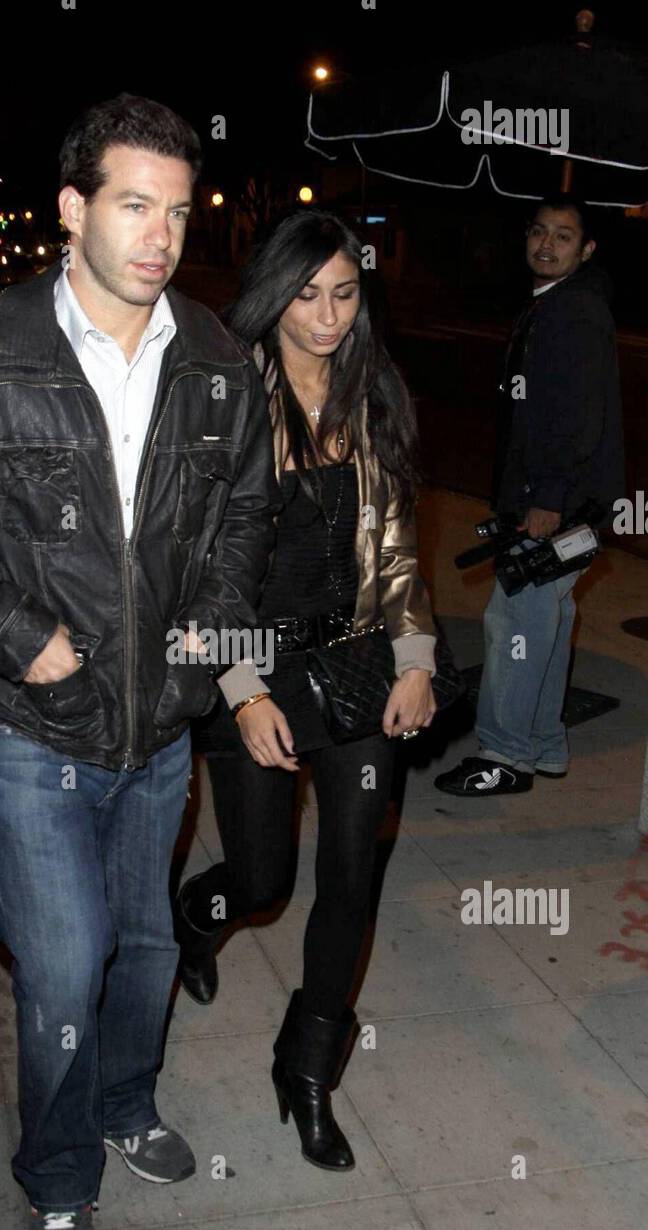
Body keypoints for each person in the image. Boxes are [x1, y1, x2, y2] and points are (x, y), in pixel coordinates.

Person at [0, 93, 280, 1230]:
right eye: (133, 205)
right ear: (71, 210)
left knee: (144, 947)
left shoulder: (213, 361)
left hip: (160, 730)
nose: (159, 234)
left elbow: (243, 515)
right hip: (32, 726)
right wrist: (5, 628)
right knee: (59, 962)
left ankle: (126, 1101)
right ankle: (56, 1174)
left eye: (178, 212)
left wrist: (212, 629)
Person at [173, 209, 438, 1171]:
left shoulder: (374, 395)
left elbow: (400, 548)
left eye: (345, 293)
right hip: (253, 663)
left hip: (357, 662)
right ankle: (189, 926)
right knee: (260, 880)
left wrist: (415, 658)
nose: (327, 317)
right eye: (306, 294)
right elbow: (198, 563)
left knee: (353, 877)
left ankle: (311, 1063)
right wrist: (241, 689)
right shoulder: (229, 397)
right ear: (272, 293)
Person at [436, 196, 626, 797]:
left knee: (514, 617)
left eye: (564, 237)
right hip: (567, 505)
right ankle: (543, 745)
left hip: (556, 507)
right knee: (547, 617)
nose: (547, 244)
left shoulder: (574, 313)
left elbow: (576, 421)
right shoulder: (557, 305)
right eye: (540, 231)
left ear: (586, 248)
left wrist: (544, 501)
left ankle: (504, 755)